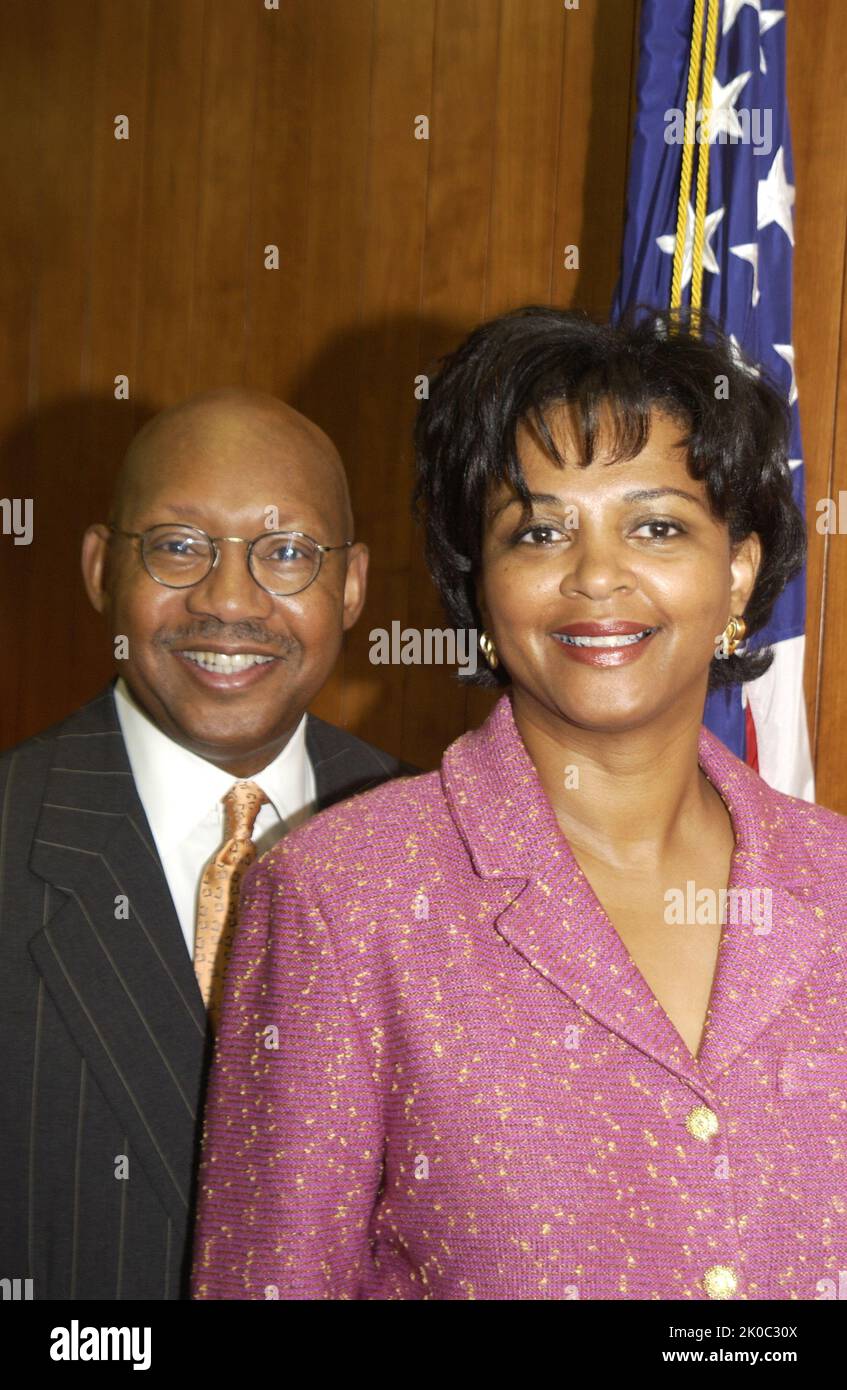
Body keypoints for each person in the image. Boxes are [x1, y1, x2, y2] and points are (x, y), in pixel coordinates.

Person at [191, 309, 847, 1302]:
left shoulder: (834, 884)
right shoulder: (342, 898)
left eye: (656, 524)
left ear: (739, 572)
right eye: (539, 530)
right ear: (481, 585)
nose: (595, 576)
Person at [0, 387, 416, 1300]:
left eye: (288, 554)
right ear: (101, 568)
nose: (229, 599)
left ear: (350, 587)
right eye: (180, 546)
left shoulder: (440, 848)